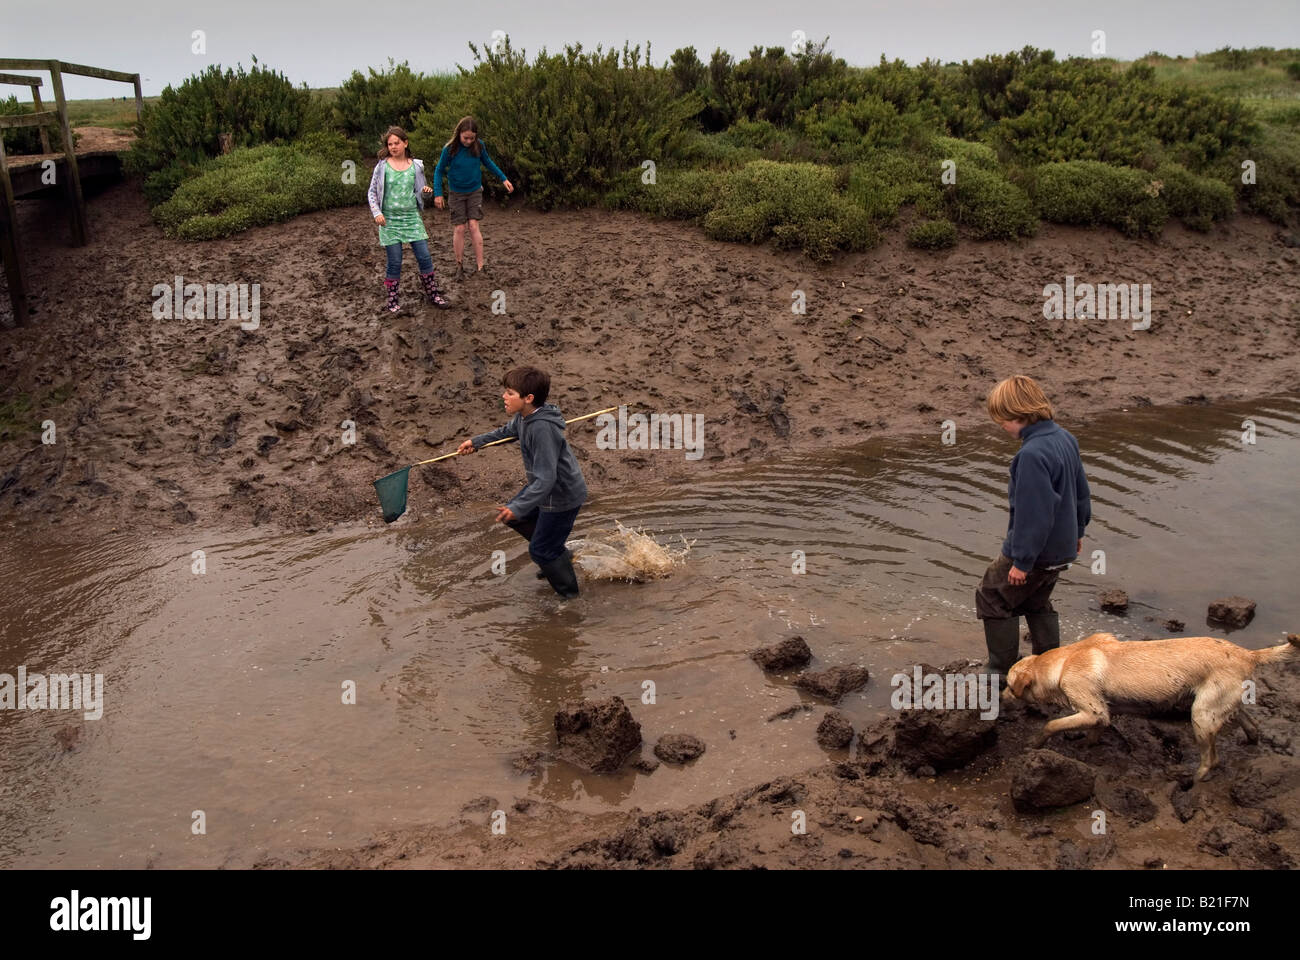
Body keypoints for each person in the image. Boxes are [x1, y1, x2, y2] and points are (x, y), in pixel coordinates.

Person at [977, 375, 1091, 685]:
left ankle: (1000, 672)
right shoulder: (1066, 438)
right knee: (1035, 600)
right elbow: (1082, 492)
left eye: (1003, 421)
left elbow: (1033, 516)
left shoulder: (1030, 456)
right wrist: (1079, 531)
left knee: (992, 595)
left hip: (1035, 552)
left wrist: (1021, 561)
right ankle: (1049, 665)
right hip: (1063, 547)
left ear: (1021, 415)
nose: (1002, 427)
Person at [457, 366, 587, 598]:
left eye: (509, 393)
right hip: (546, 489)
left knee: (540, 549)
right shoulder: (524, 417)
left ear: (528, 398)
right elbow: (505, 432)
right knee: (520, 518)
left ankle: (571, 599)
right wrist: (475, 442)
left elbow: (547, 478)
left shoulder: (542, 429)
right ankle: (559, 556)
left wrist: (517, 505)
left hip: (561, 495)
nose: (503, 397)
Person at [366, 126, 450, 313]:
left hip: (412, 218)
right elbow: (372, 192)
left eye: (397, 143)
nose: (393, 147)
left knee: (424, 256)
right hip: (389, 220)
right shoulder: (381, 166)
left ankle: (433, 293)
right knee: (395, 261)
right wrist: (377, 213)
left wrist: (426, 193)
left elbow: (421, 194)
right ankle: (393, 300)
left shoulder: (416, 166)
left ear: (405, 143)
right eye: (390, 144)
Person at [432, 116, 514, 276]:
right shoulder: (449, 149)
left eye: (472, 138)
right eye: (465, 138)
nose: (468, 141)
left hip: (474, 191)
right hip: (456, 193)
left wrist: (504, 178)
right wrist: (438, 194)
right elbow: (439, 170)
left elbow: (489, 163)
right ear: (459, 134)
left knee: (474, 226)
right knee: (460, 228)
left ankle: (481, 266)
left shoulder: (479, 146)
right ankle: (459, 266)